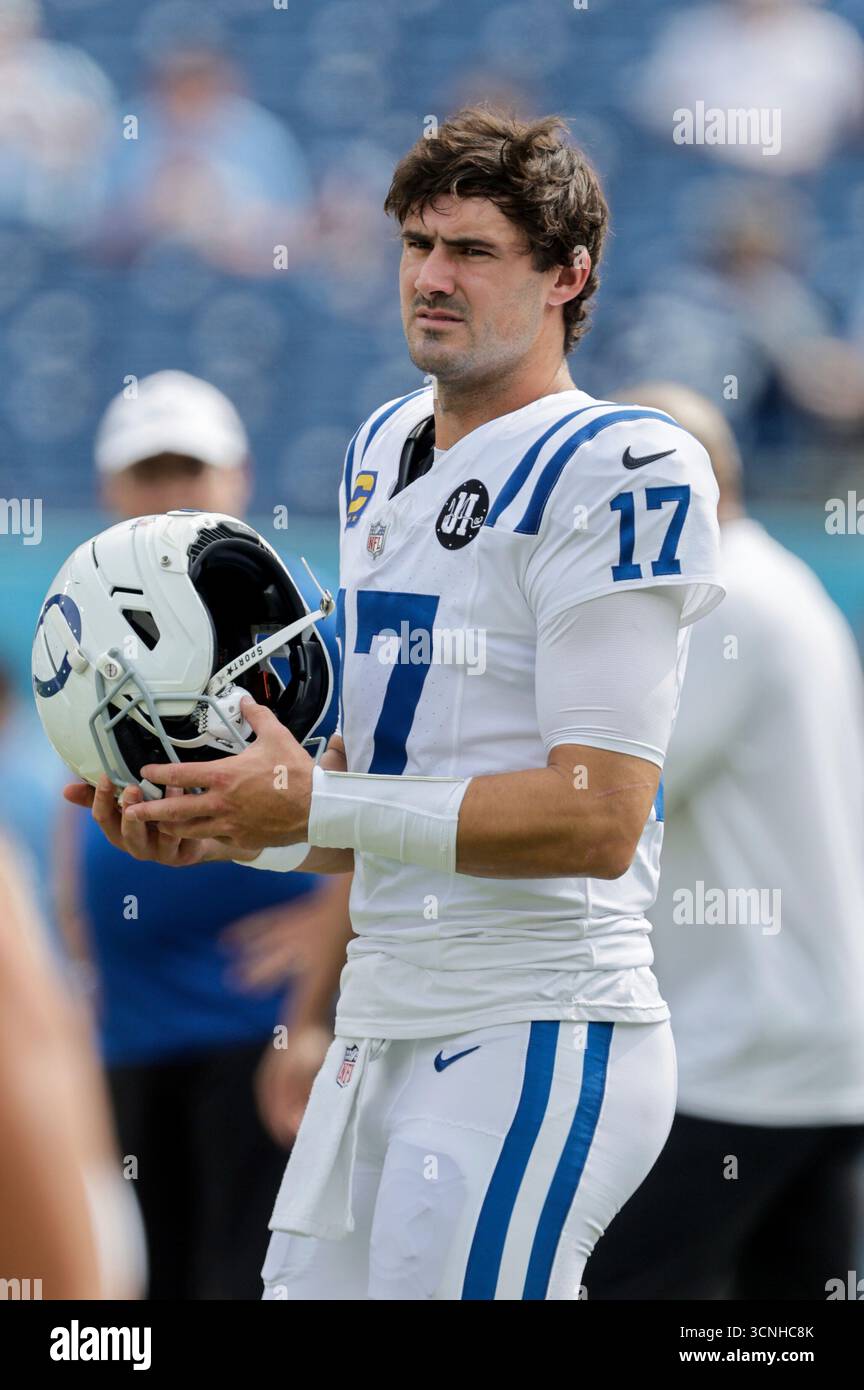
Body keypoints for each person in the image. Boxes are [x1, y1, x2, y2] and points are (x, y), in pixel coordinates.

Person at [68, 108, 725, 1301]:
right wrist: (234, 826)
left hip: (535, 1016)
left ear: (568, 275)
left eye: (473, 251)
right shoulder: (381, 446)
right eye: (417, 243)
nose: (431, 276)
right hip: (385, 1024)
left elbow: (599, 815)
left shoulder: (621, 462)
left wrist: (315, 795)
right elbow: (380, 793)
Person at [58, 370, 351, 1300]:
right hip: (133, 1033)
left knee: (245, 1281)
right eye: (150, 471)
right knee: (142, 1292)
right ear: (112, 489)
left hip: (252, 1027)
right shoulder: (89, 630)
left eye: (191, 466)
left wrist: (323, 963)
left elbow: (374, 797)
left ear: (238, 477)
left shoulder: (290, 632)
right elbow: (82, 812)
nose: (171, 490)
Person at [583, 383, 864, 1300]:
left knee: (614, 1282)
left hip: (741, 1050)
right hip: (807, 1045)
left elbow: (608, 801)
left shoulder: (717, 605)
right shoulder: (784, 585)